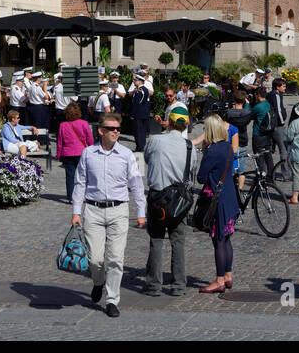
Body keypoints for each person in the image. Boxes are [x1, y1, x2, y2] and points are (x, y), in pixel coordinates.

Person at [70, 111, 146, 317]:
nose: (116, 132)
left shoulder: (126, 154)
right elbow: (80, 183)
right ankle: (98, 281)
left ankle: (112, 299)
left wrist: (141, 211)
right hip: (93, 210)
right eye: (111, 129)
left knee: (115, 258)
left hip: (119, 210)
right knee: (95, 259)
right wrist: (76, 211)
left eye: (118, 129)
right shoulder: (88, 153)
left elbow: (136, 184)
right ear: (101, 130)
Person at [142, 106, 196, 296]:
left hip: (157, 197)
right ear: (186, 124)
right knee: (178, 242)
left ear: (169, 122)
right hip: (179, 200)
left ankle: (153, 285)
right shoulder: (190, 146)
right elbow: (191, 170)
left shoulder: (155, 140)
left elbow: (148, 159)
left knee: (156, 240)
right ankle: (179, 285)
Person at [195, 114, 241, 293]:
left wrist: (205, 151)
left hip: (217, 199)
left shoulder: (213, 151)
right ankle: (228, 275)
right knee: (227, 239)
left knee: (219, 240)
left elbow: (200, 177)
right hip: (230, 197)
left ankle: (219, 280)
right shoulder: (229, 147)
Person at [57, 101, 94, 201]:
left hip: (67, 153)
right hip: (82, 152)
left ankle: (71, 197)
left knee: (70, 176)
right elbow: (90, 139)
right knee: (84, 175)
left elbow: (60, 142)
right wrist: (92, 149)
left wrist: (59, 155)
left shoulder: (63, 125)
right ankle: (85, 195)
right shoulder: (84, 123)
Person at [130, 70, 153, 154]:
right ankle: (141, 146)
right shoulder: (142, 89)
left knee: (138, 131)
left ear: (140, 81)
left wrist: (133, 114)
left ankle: (140, 147)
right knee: (141, 131)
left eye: (135, 80)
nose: (134, 82)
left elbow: (137, 104)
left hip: (138, 114)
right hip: (143, 114)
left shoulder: (140, 90)